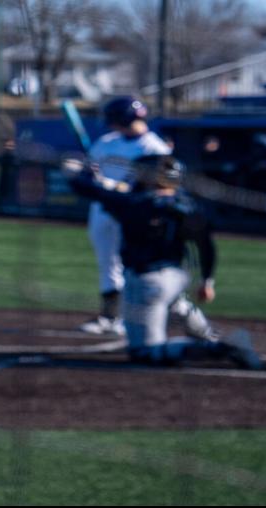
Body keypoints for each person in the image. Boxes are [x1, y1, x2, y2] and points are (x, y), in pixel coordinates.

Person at [65, 155, 262, 370]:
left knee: (144, 353)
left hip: (146, 283)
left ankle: (222, 347)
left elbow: (89, 190)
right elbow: (206, 245)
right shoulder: (187, 204)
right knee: (175, 304)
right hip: (176, 277)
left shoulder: (136, 203)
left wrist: (81, 173)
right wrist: (207, 281)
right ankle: (207, 333)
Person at [78, 97, 172, 336]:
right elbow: (87, 173)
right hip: (103, 210)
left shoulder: (154, 148)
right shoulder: (106, 142)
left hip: (135, 215)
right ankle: (110, 316)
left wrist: (121, 189)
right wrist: (93, 179)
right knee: (107, 263)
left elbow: (160, 186)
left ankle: (142, 315)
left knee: (136, 264)